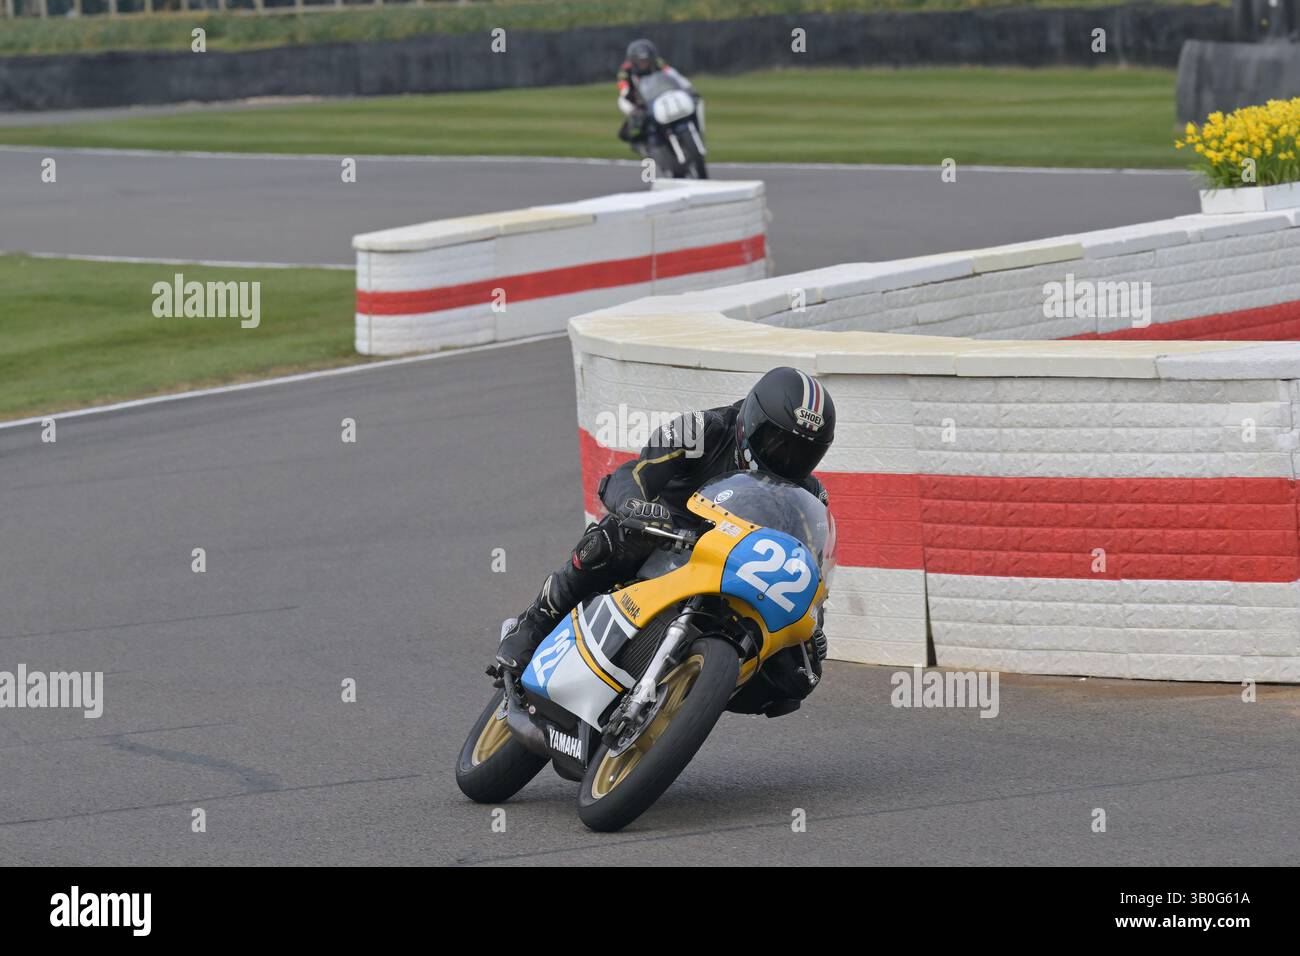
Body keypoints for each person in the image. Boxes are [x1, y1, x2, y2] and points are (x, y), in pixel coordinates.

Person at [495, 367, 837, 716]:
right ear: (750, 420)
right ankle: (534, 622)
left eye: (801, 454)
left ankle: (684, 698)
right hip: (666, 537)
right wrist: (636, 506)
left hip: (730, 573)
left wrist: (814, 621)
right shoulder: (703, 430)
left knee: (795, 677)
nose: (786, 459)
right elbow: (636, 472)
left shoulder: (810, 495)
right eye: (776, 442)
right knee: (613, 538)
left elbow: (808, 568)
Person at [616, 38, 696, 157]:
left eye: (647, 60)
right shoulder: (625, 72)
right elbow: (623, 94)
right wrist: (633, 110)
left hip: (663, 95)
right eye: (641, 61)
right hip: (642, 102)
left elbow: (674, 76)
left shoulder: (658, 63)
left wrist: (688, 88)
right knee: (626, 133)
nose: (644, 64)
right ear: (634, 61)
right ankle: (645, 146)